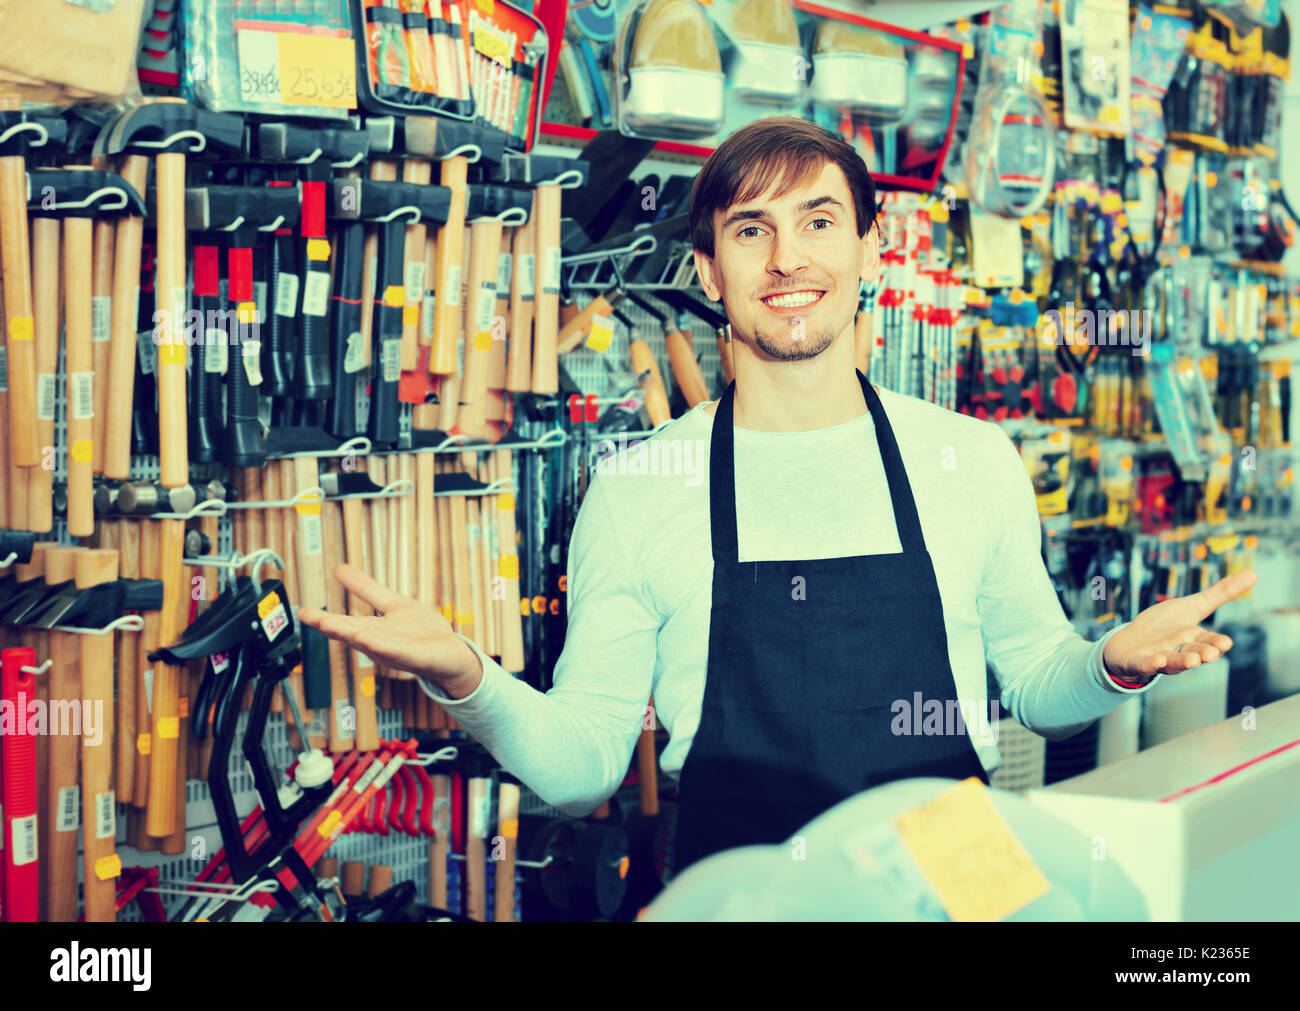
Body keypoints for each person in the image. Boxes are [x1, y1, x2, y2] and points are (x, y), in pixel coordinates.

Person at [298, 116, 1257, 878]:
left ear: (868, 250)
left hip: (959, 885)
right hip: (748, 894)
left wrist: (1112, 663)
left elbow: (1043, 691)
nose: (787, 260)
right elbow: (584, 764)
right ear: (711, 272)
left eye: (818, 222)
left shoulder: (971, 459)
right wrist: (466, 675)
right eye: (752, 231)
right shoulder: (641, 487)